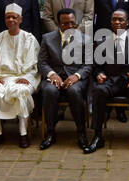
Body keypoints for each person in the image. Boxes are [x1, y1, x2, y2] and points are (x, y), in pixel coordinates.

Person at [87, 8, 129, 153]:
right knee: (98, 90)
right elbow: (96, 67)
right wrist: (99, 74)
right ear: (110, 22)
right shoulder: (101, 42)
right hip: (110, 82)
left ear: (127, 23)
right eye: (114, 19)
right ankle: (98, 136)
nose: (117, 22)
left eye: (120, 19)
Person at [0, 4, 39, 148]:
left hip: (22, 77)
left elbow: (34, 63)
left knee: (21, 91)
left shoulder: (29, 39)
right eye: (8, 17)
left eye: (14, 17)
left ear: (21, 19)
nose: (11, 19)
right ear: (5, 19)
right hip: (2, 77)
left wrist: (27, 77)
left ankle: (23, 133)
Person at [37, 8, 90, 150]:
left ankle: (81, 132)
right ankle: (50, 132)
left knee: (74, 91)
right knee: (49, 91)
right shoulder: (47, 38)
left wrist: (77, 76)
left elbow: (89, 64)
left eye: (73, 23)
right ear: (58, 23)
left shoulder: (86, 39)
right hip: (54, 76)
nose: (70, 27)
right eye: (65, 24)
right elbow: (42, 62)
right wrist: (51, 74)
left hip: (75, 78)